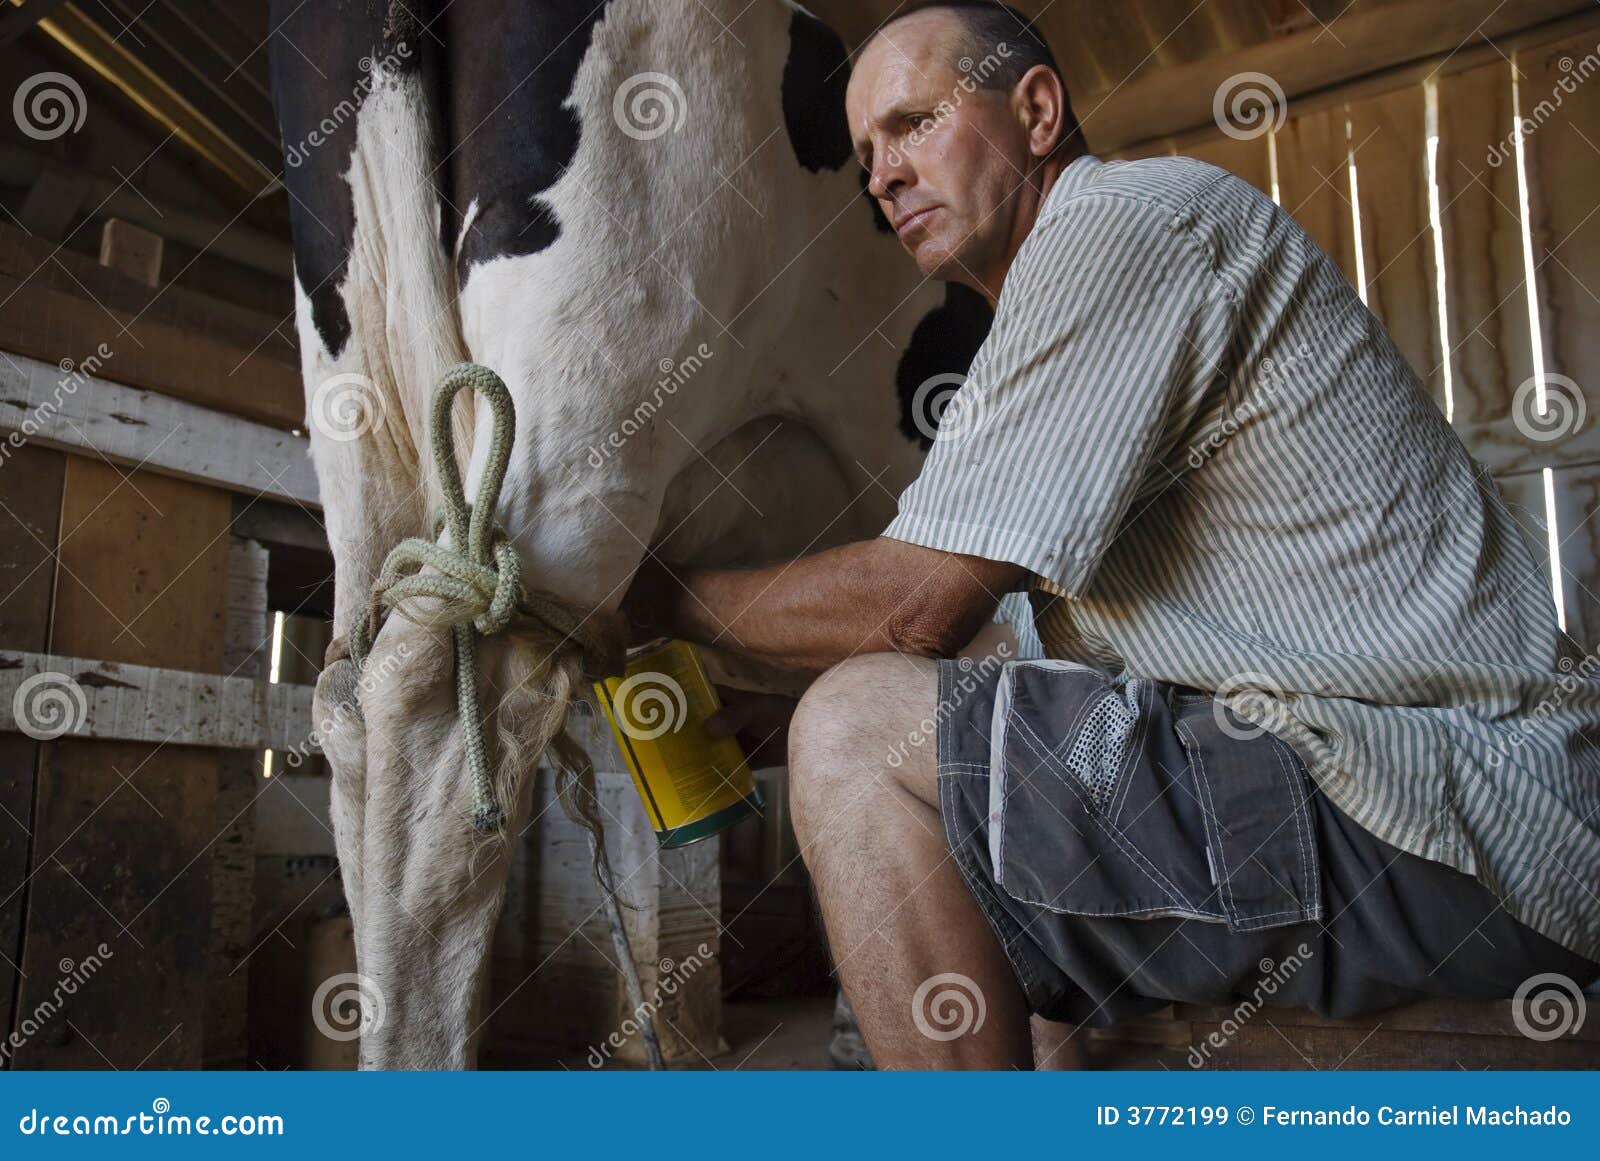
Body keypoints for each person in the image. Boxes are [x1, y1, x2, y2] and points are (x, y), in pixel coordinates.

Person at [624, 0, 1600, 1068]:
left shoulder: (1126, 224)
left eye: (911, 123)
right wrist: (761, 695)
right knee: (953, 765)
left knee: (858, 732)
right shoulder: (1049, 328)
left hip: (1458, 815)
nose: (880, 175)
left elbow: (913, 608)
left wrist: (642, 595)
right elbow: (994, 657)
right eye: (864, 153)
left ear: (1037, 110)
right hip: (1410, 811)